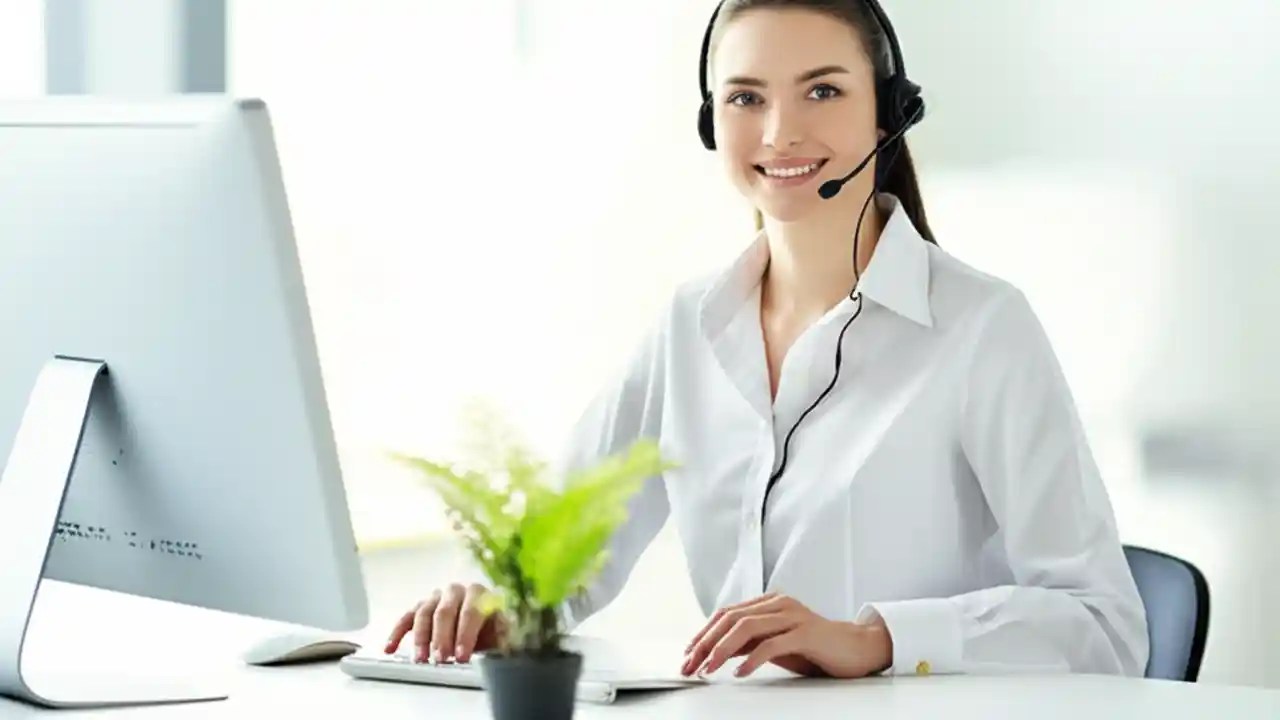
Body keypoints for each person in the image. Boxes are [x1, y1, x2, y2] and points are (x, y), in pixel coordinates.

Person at [385, 0, 1149, 680]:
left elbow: (1105, 627)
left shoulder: (981, 328)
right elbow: (564, 562)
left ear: (888, 114)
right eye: (746, 97)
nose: (781, 131)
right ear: (710, 121)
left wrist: (877, 639)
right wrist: (498, 604)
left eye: (822, 90)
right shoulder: (689, 327)